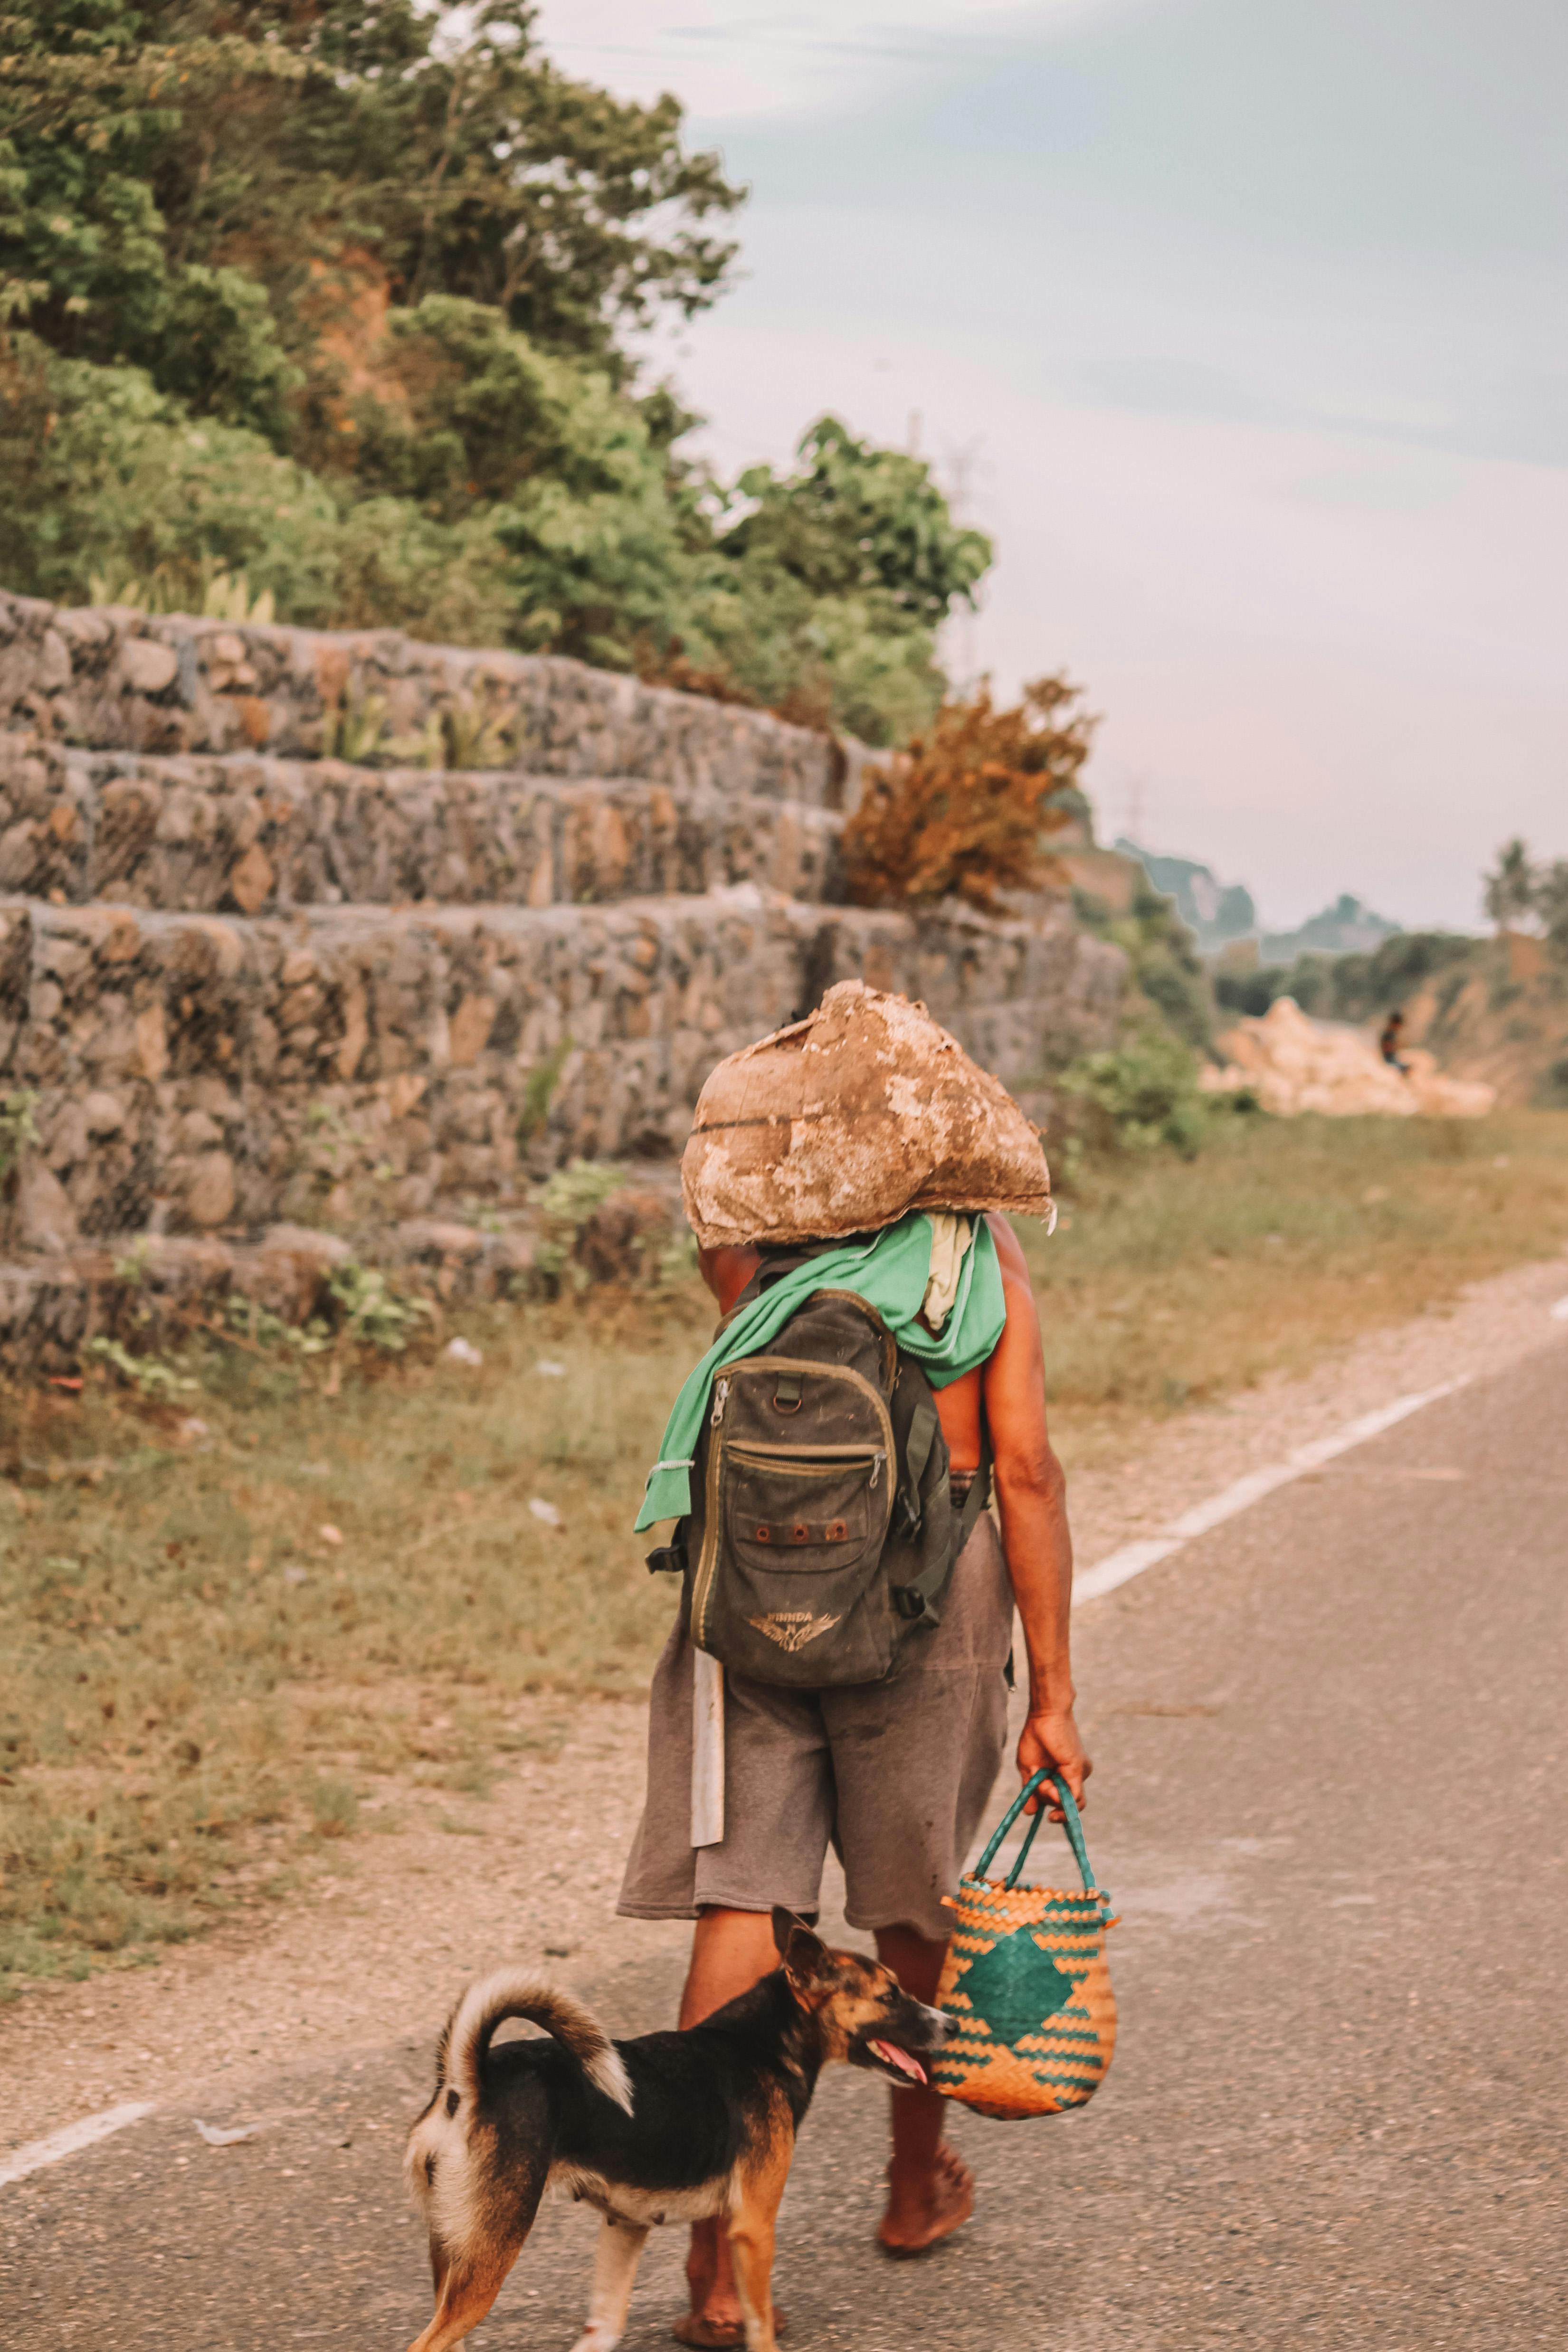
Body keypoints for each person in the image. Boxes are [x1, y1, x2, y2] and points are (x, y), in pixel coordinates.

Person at [617, 1210, 1089, 2348]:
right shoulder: (980, 1255)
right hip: (931, 1587)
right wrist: (1053, 1698)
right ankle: (912, 2186)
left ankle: (712, 2266)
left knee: (744, 1902)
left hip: (758, 1586)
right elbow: (1025, 1472)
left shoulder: (756, 1242)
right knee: (909, 1899)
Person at [1378, 1009, 1410, 1073]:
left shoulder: (1392, 1034)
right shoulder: (1388, 1034)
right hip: (1388, 1060)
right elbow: (1387, 1049)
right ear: (1395, 1023)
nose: (1400, 1027)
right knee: (1403, 1069)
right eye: (1399, 1024)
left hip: (1392, 1059)